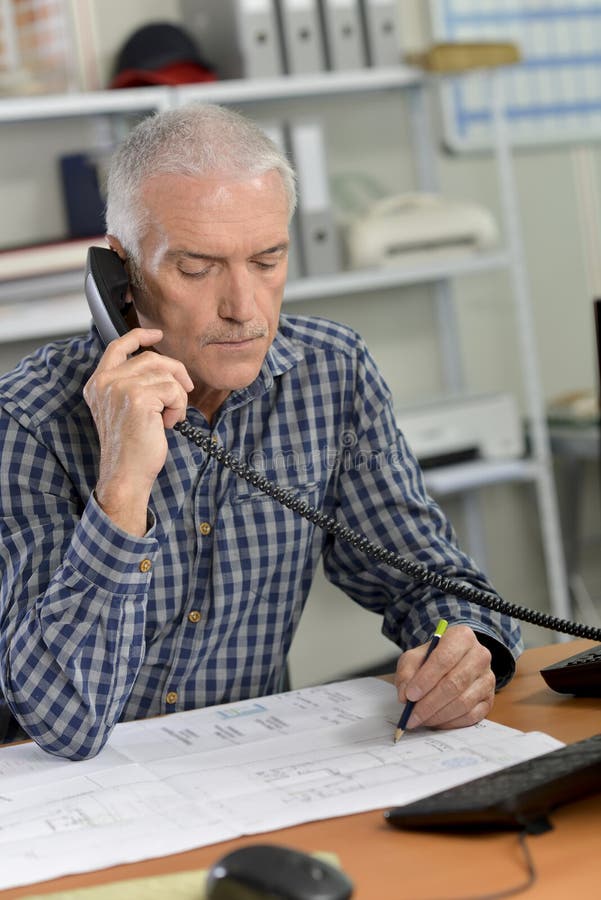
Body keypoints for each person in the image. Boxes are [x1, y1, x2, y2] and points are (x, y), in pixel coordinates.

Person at [0, 104, 522, 760]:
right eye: (197, 268)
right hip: (62, 793)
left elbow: (431, 580)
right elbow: (63, 722)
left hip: (250, 770)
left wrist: (464, 648)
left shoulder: (331, 373)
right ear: (120, 274)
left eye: (267, 261)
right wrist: (123, 489)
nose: (244, 309)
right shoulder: (28, 418)